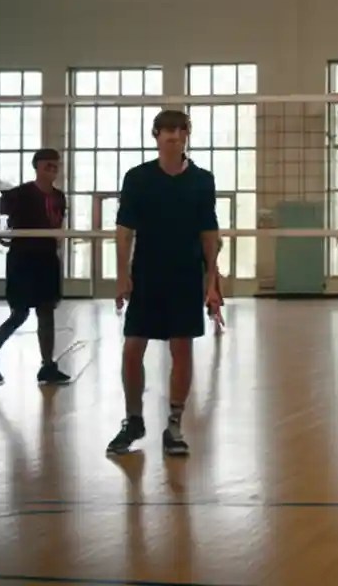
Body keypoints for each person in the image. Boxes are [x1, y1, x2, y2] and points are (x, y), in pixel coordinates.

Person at [106, 110, 221, 457]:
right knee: (131, 350)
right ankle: (133, 419)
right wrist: (122, 274)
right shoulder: (138, 178)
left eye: (179, 129)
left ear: (187, 134)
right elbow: (125, 230)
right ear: (155, 135)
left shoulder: (202, 180)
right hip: (147, 276)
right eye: (166, 130)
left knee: (181, 349)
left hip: (185, 275)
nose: (173, 135)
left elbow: (209, 232)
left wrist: (212, 280)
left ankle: (174, 423)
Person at [0, 148, 69, 385]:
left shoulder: (59, 197)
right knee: (19, 313)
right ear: (37, 167)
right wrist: (2, 234)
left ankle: (48, 365)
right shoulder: (20, 194)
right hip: (23, 259)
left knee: (46, 311)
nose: (52, 170)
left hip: (47, 259)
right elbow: (3, 223)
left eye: (55, 166)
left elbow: (58, 223)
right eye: (48, 165)